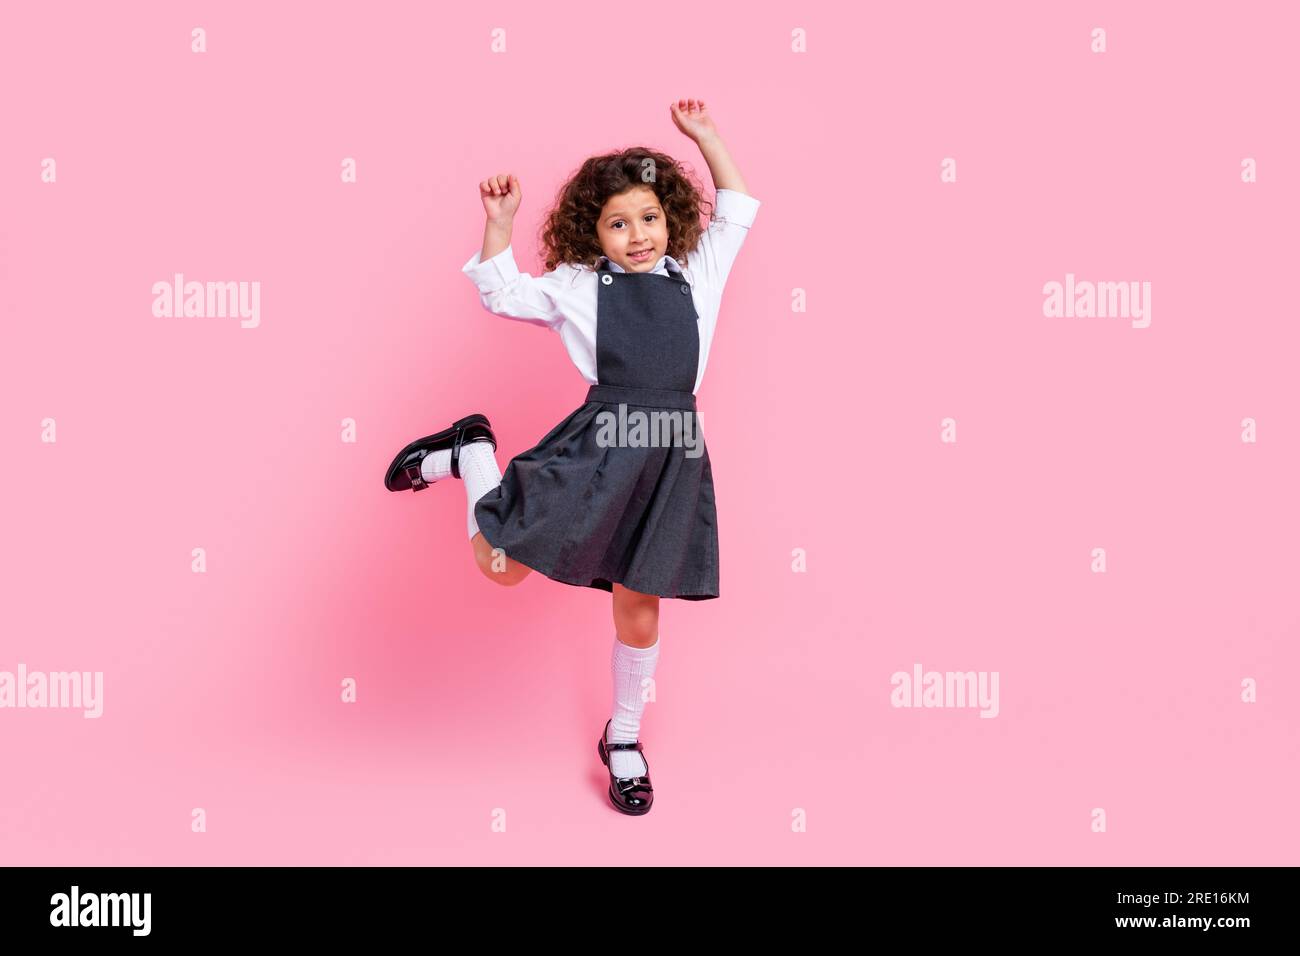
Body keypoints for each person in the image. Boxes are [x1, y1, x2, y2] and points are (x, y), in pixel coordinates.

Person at [384, 99, 760, 815]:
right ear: (594, 233)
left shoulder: (699, 274)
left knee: (640, 604)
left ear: (672, 217)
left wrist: (707, 136)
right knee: (499, 567)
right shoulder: (582, 286)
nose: (638, 234)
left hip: (669, 461)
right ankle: (470, 454)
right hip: (597, 449)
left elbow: (735, 206)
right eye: (618, 223)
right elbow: (503, 293)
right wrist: (499, 225)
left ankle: (623, 737)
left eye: (649, 217)